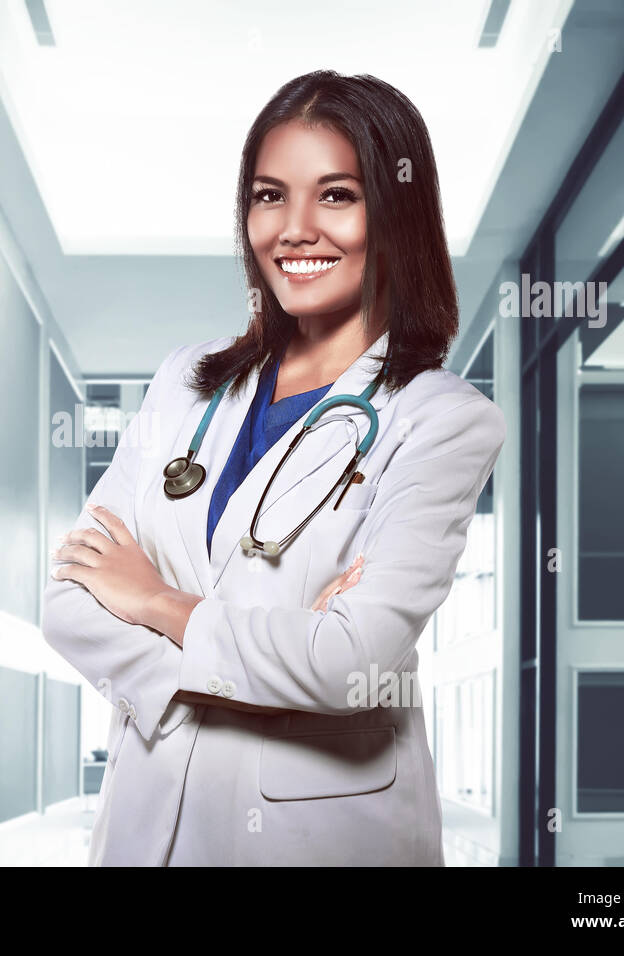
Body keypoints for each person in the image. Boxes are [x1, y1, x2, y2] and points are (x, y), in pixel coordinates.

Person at [43, 70, 505, 866]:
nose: (293, 229)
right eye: (267, 196)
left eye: (336, 195)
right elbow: (67, 604)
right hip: (148, 819)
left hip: (319, 838)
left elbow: (348, 665)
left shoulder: (440, 420)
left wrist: (153, 599)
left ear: (396, 215)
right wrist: (273, 644)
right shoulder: (185, 384)